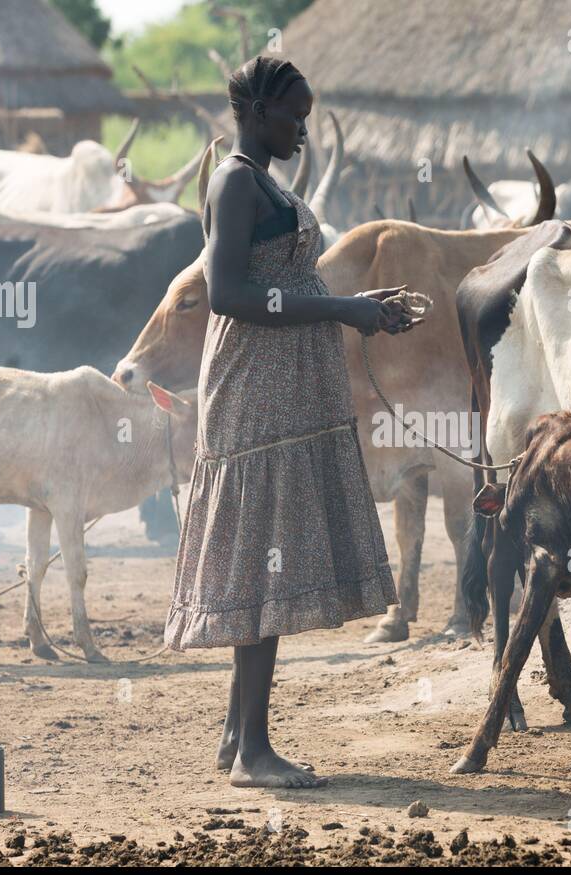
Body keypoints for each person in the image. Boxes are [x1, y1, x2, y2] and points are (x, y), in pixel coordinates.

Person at [163, 55, 418, 788]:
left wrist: (367, 302)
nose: (301, 130)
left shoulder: (265, 178)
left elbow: (286, 279)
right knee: (260, 562)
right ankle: (253, 755)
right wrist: (342, 310)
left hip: (288, 386)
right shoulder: (236, 180)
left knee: (264, 557)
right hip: (255, 390)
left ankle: (238, 735)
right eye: (292, 116)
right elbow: (231, 295)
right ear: (256, 112)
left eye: (307, 117)